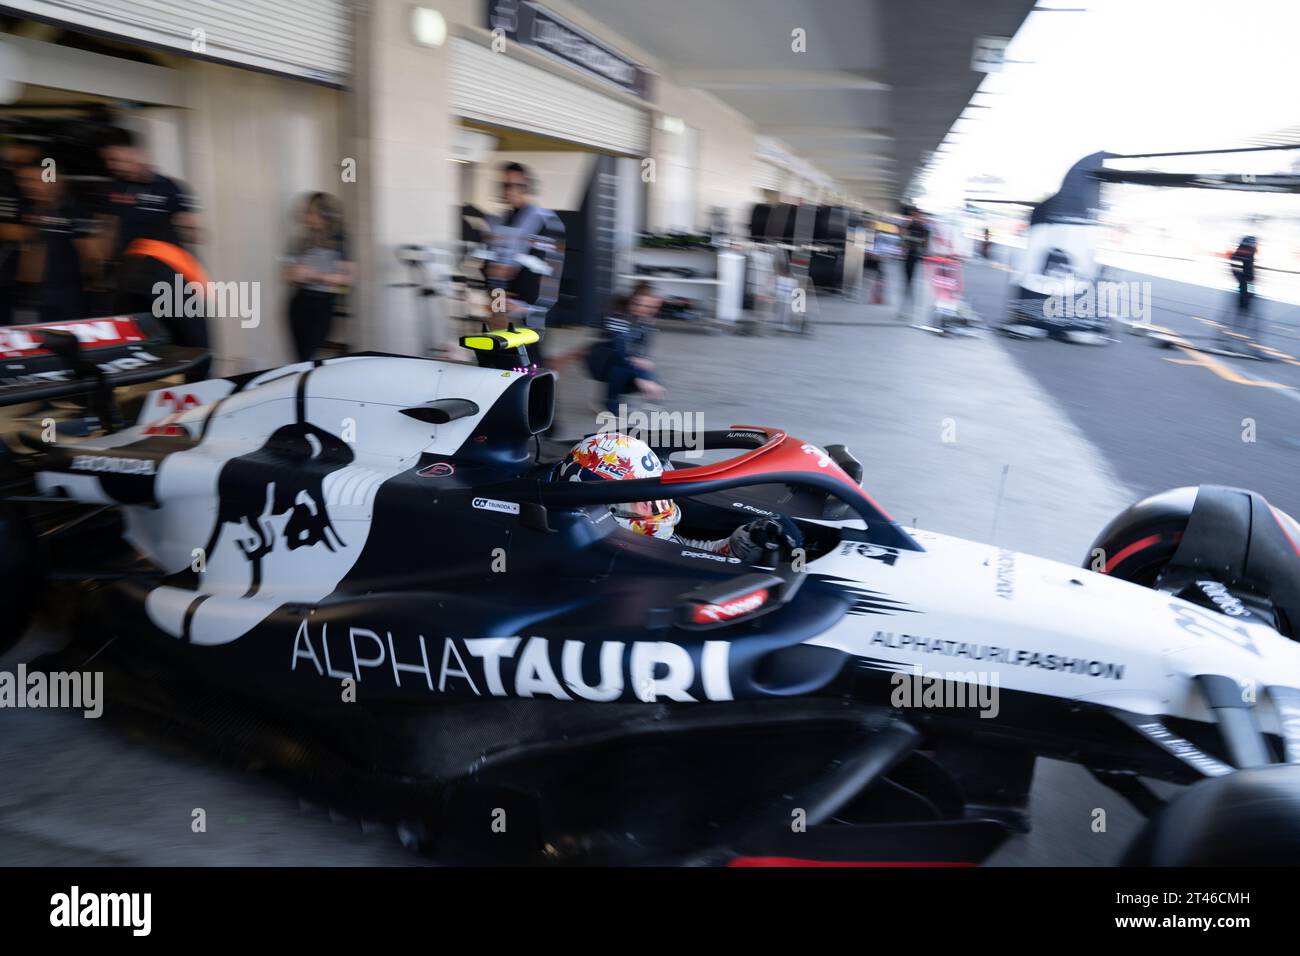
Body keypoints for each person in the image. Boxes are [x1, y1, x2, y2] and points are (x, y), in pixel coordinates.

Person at [554, 432, 800, 564]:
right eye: (642, 499)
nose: (656, 508)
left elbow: (688, 551)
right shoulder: (571, 555)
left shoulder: (641, 539)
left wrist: (744, 542)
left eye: (656, 498)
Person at [484, 162, 565, 365]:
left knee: (530, 357)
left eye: (515, 185)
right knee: (502, 353)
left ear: (526, 187)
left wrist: (521, 300)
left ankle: (537, 394)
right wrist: (496, 297)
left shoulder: (543, 220)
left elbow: (543, 265)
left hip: (531, 303)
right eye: (506, 185)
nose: (510, 190)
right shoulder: (497, 220)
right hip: (500, 298)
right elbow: (489, 262)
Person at [13, 158, 98, 324]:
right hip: (29, 295)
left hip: (67, 293)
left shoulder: (76, 210)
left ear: (55, 182)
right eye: (25, 180)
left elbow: (90, 254)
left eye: (34, 180)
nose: (28, 186)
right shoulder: (25, 208)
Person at [283, 192, 354, 362]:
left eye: (310, 212)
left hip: (322, 304)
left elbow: (347, 279)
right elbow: (286, 273)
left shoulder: (339, 240)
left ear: (324, 214)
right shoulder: (302, 240)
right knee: (300, 358)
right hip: (299, 302)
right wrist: (294, 274)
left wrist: (314, 275)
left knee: (310, 356)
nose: (305, 216)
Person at [586, 282, 664, 414]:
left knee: (644, 368)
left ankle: (616, 398)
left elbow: (643, 350)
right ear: (633, 301)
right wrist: (641, 378)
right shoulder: (619, 316)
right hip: (601, 359)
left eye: (649, 306)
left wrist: (650, 378)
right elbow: (619, 349)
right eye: (641, 304)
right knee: (624, 366)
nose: (645, 309)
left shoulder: (645, 320)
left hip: (619, 359)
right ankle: (608, 403)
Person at [899, 207, 930, 318]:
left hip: (914, 256)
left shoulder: (924, 228)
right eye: (915, 215)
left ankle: (908, 309)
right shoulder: (909, 225)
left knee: (909, 281)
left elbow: (924, 243)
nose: (917, 217)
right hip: (908, 255)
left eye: (918, 215)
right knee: (907, 281)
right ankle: (907, 308)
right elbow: (903, 239)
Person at [1229, 235, 1257, 322]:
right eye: (1253, 243)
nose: (1255, 245)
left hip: (1247, 277)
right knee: (1245, 292)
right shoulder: (1244, 251)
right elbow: (1235, 265)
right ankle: (1243, 311)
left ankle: (1244, 309)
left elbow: (1247, 266)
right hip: (1245, 277)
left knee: (1248, 292)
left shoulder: (1248, 251)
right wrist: (1240, 276)